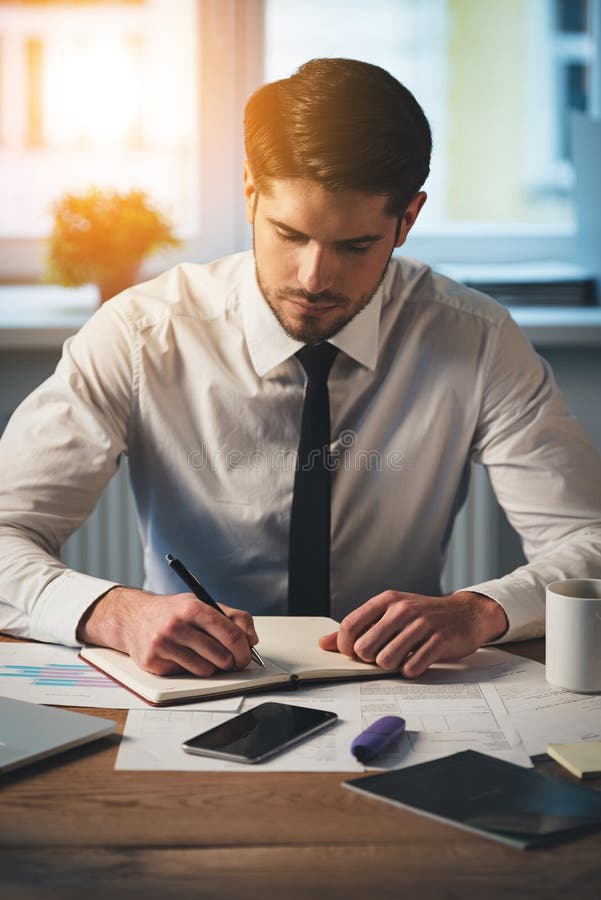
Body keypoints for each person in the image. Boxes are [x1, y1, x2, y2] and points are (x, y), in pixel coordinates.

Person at [1, 58, 600, 681]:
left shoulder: (476, 338)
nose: (314, 279)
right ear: (250, 194)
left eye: (355, 246)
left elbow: (588, 544)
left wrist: (477, 612)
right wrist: (117, 613)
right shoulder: (138, 336)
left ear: (408, 220)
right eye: (289, 233)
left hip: (407, 690)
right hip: (195, 691)